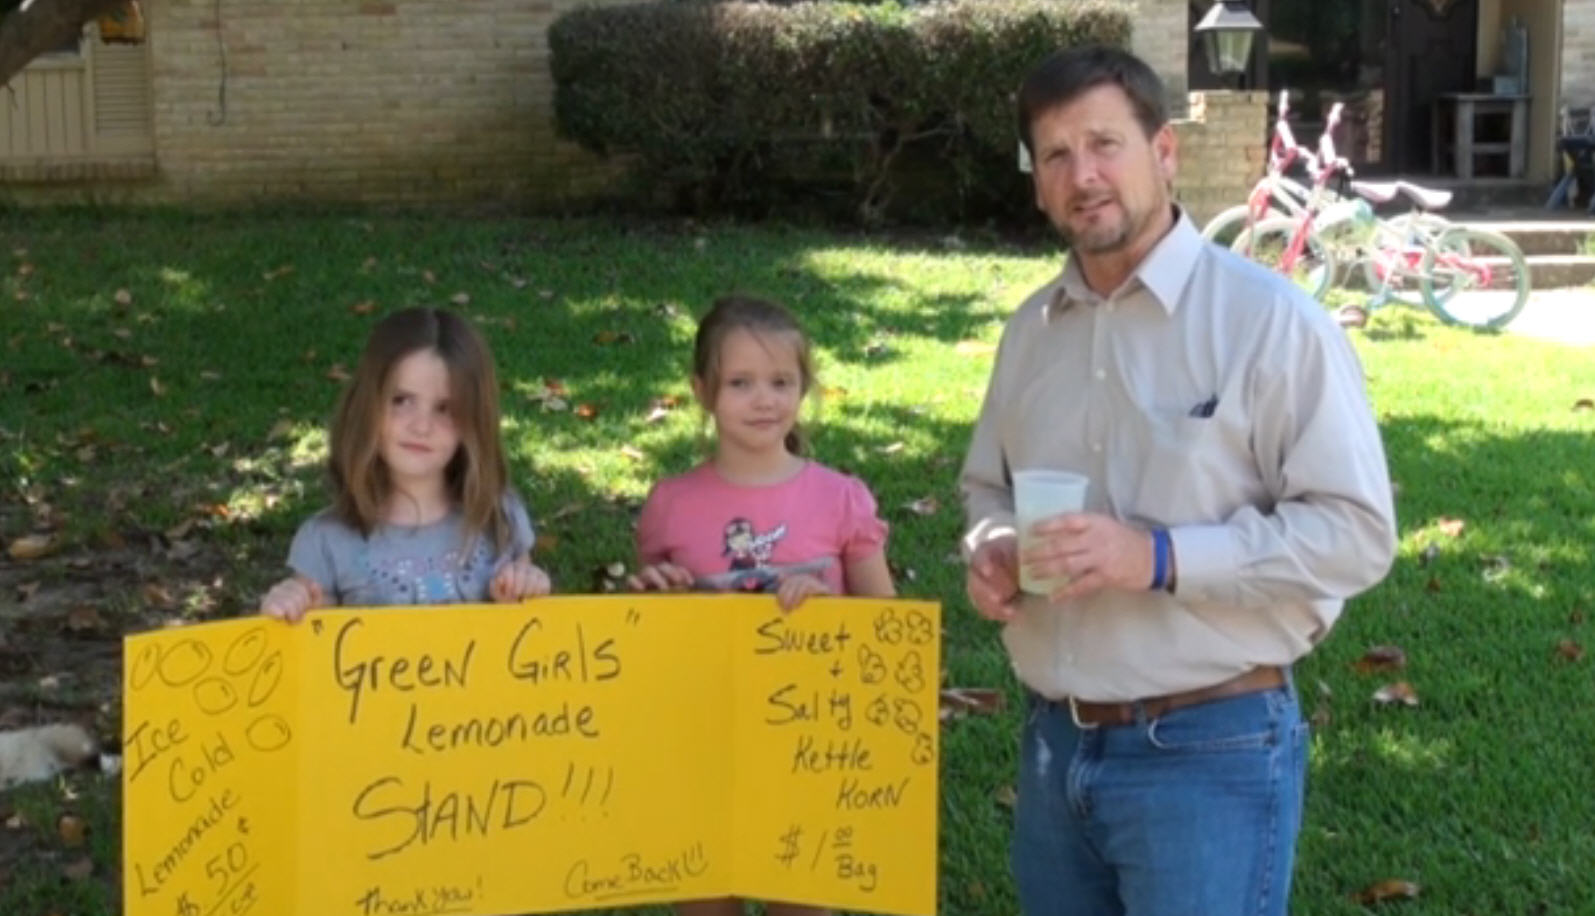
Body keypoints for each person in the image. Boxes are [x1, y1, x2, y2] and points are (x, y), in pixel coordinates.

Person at [959, 46, 1397, 916]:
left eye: (1103, 144)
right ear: (1038, 184)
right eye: (1054, 155)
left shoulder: (1272, 325)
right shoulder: (1028, 336)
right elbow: (985, 489)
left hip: (1211, 750)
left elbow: (1355, 535)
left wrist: (1158, 556)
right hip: (1053, 749)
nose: (1082, 174)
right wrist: (990, 545)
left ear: (1163, 153)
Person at [628, 295, 895, 916]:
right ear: (702, 391)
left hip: (812, 746)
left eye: (781, 381)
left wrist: (831, 611)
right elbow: (645, 639)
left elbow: (887, 629)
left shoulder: (841, 498)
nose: (765, 399)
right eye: (741, 382)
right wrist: (656, 593)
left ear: (805, 387)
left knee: (802, 901)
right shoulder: (670, 503)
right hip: (699, 741)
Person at [260, 307, 549, 620]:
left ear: (473, 421)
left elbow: (532, 636)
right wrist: (289, 605)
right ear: (367, 406)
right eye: (402, 401)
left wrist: (529, 587)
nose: (421, 426)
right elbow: (308, 652)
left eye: (445, 408)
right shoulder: (326, 542)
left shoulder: (499, 517)